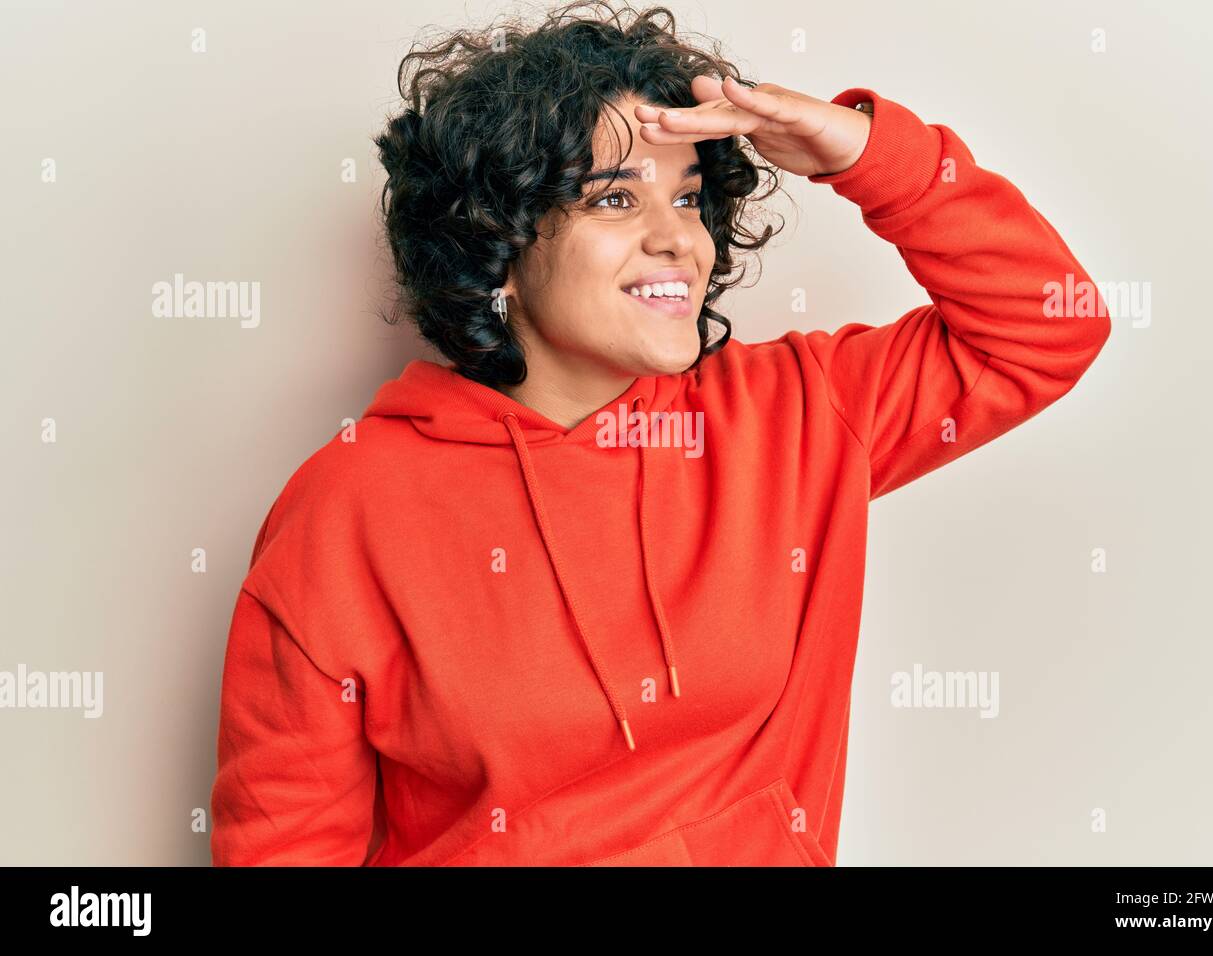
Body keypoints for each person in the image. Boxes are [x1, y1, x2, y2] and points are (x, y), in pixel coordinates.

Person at [209, 1, 1110, 866]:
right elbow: (283, 846)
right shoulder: (350, 506)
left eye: (687, 199)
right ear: (499, 246)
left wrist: (870, 156)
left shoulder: (798, 414)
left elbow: (1048, 326)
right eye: (612, 200)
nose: (677, 239)